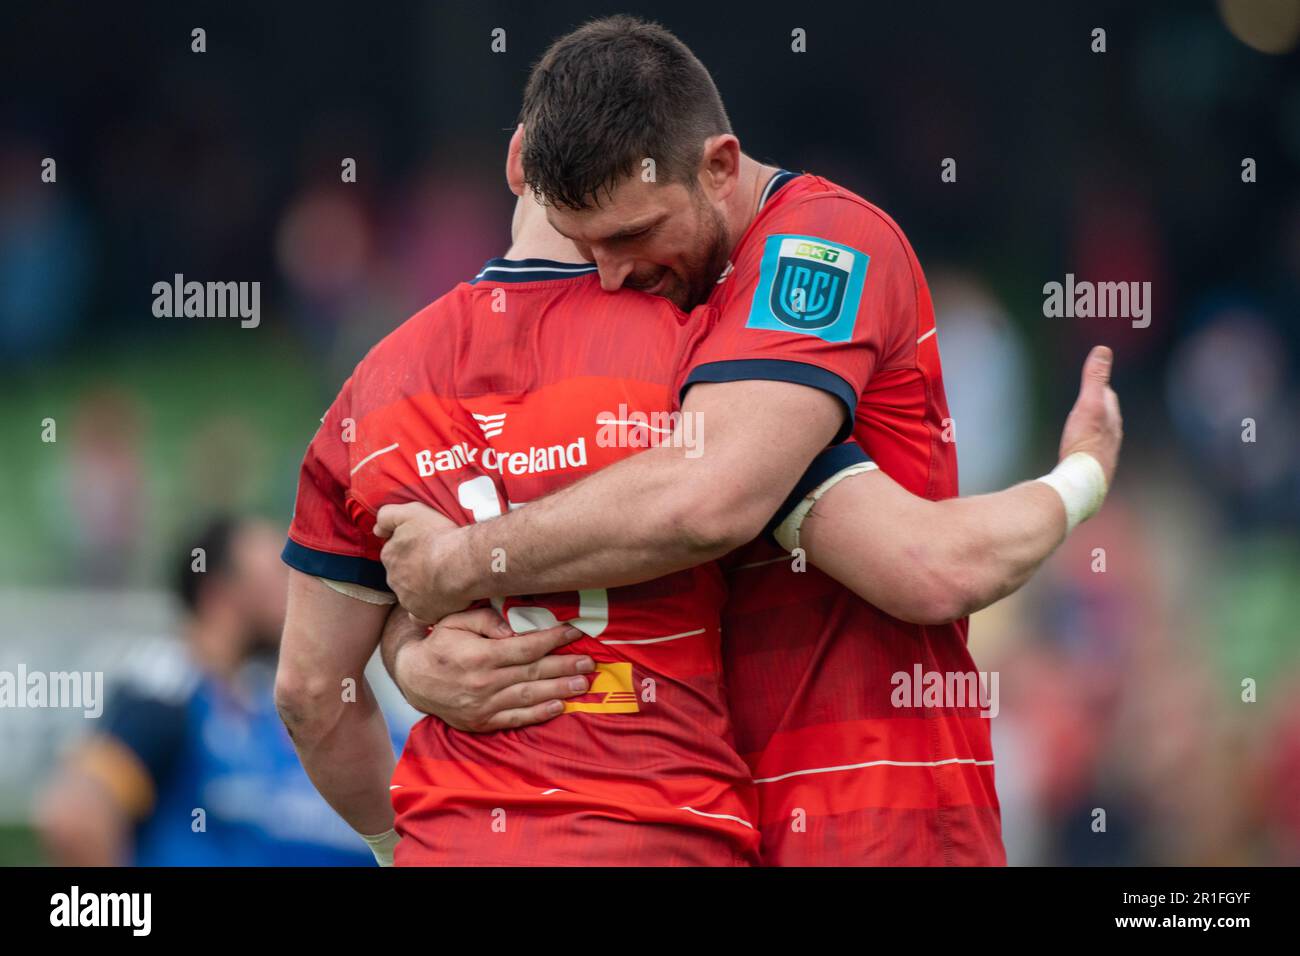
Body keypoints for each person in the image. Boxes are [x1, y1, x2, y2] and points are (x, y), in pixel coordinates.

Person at [371, 16, 1119, 865]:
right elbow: (470, 526)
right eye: (588, 244)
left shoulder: (819, 247)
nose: (610, 273)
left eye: (631, 235)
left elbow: (724, 500)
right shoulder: (656, 321)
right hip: (711, 815)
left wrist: (1085, 473)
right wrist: (412, 656)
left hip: (870, 803)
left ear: (720, 166)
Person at [37, 517, 399, 866]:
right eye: (278, 573)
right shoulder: (167, 687)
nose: (297, 590)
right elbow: (74, 817)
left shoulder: (247, 701)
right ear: (219, 594)